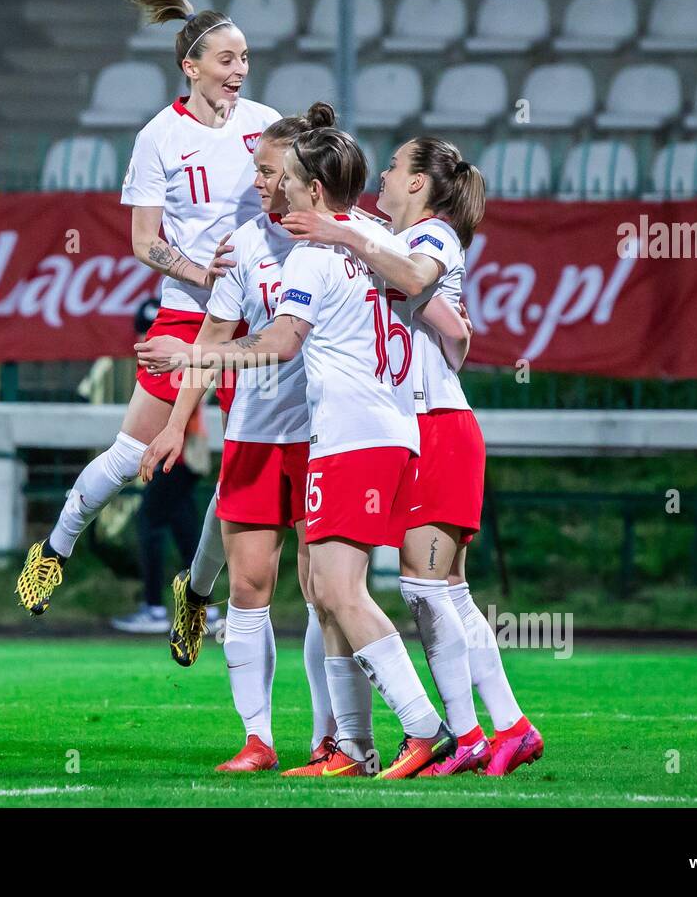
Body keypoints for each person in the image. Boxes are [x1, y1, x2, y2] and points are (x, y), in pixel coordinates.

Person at [138, 127, 457, 779]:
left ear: (313, 188)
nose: (270, 185)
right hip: (384, 432)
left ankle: (424, 730)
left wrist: (190, 354)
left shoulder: (312, 254)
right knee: (321, 587)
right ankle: (349, 748)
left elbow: (281, 345)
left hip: (349, 438)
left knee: (337, 590)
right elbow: (427, 287)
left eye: (282, 176)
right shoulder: (379, 241)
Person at [14, 0, 281, 617]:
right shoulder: (158, 137)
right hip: (188, 316)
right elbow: (143, 241)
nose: (239, 69)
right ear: (190, 66)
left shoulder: (269, 126)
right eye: (227, 59)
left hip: (253, 325)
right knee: (132, 453)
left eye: (245, 58)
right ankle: (54, 547)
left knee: (238, 469)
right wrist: (207, 276)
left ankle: (194, 593)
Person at [283, 138, 543, 776]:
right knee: (439, 591)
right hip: (417, 425)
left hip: (438, 424)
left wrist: (342, 236)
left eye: (397, 167)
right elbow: (444, 319)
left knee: (429, 588)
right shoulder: (390, 234)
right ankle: (483, 732)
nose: (386, 175)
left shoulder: (433, 237)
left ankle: (487, 729)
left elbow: (422, 282)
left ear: (421, 184)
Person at [140, 102, 350, 772]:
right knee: (253, 587)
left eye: (266, 171)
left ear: (302, 177)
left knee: (323, 592)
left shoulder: (346, 241)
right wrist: (175, 423)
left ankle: (330, 737)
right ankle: (258, 738)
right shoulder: (245, 244)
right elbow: (212, 338)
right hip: (256, 436)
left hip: (326, 438)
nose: (255, 182)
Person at [111, 299, 213, 634]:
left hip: (180, 451)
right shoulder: (183, 348)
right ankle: (203, 606)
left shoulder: (174, 353)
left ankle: (154, 606)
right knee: (186, 530)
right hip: (185, 450)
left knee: (150, 520)